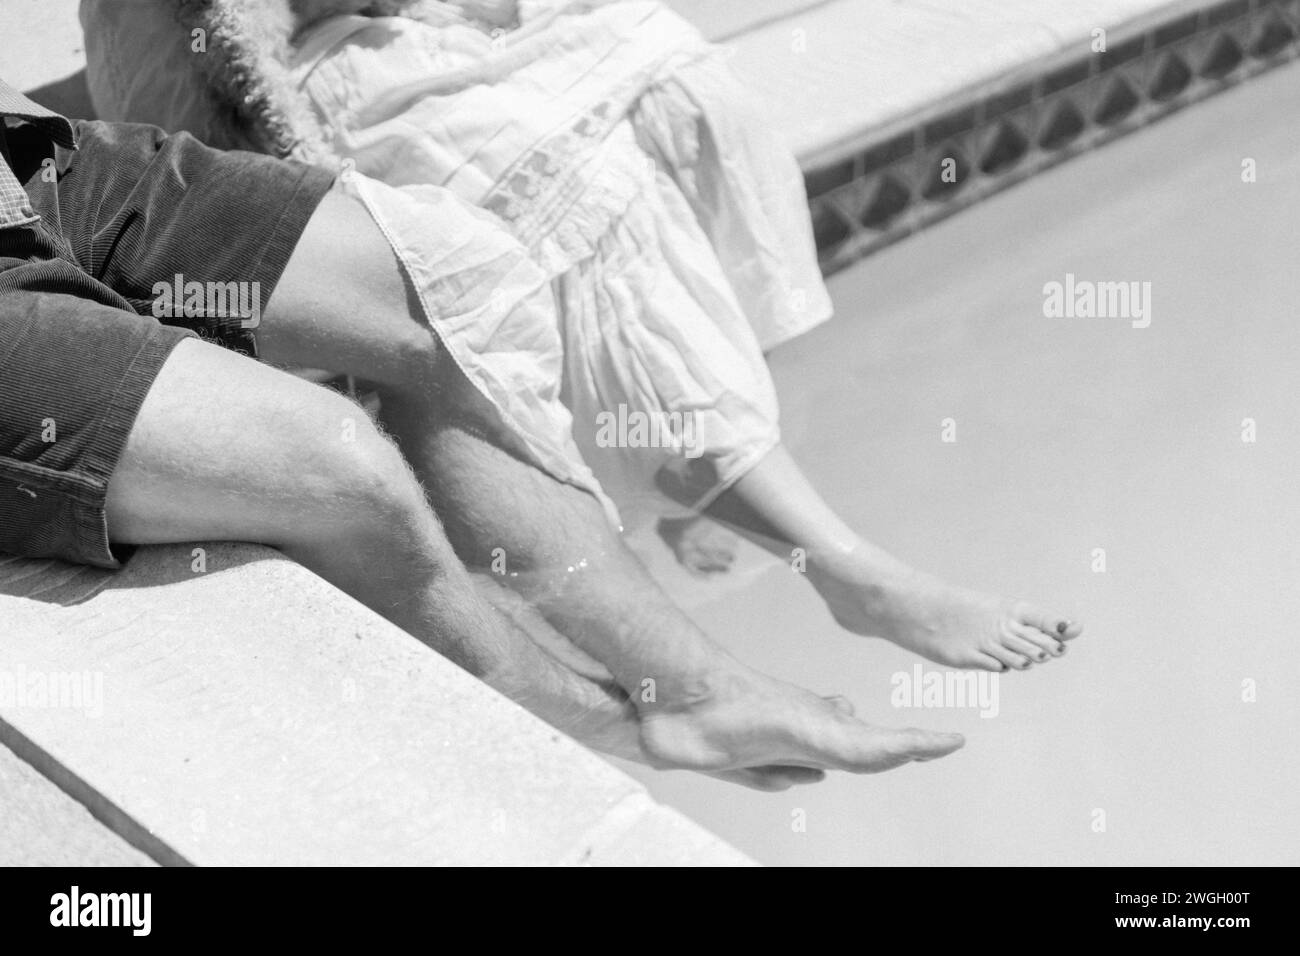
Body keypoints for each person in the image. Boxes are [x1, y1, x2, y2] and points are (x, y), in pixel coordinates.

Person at [0, 74, 967, 789]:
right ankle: (622, 727)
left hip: (27, 159)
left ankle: (694, 686)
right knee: (335, 469)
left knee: (457, 293)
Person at [83, 0, 1084, 675]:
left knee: (688, 93)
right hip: (295, 66)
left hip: (435, 18)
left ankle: (711, 475)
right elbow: (196, 77)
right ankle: (845, 566)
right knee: (567, 189)